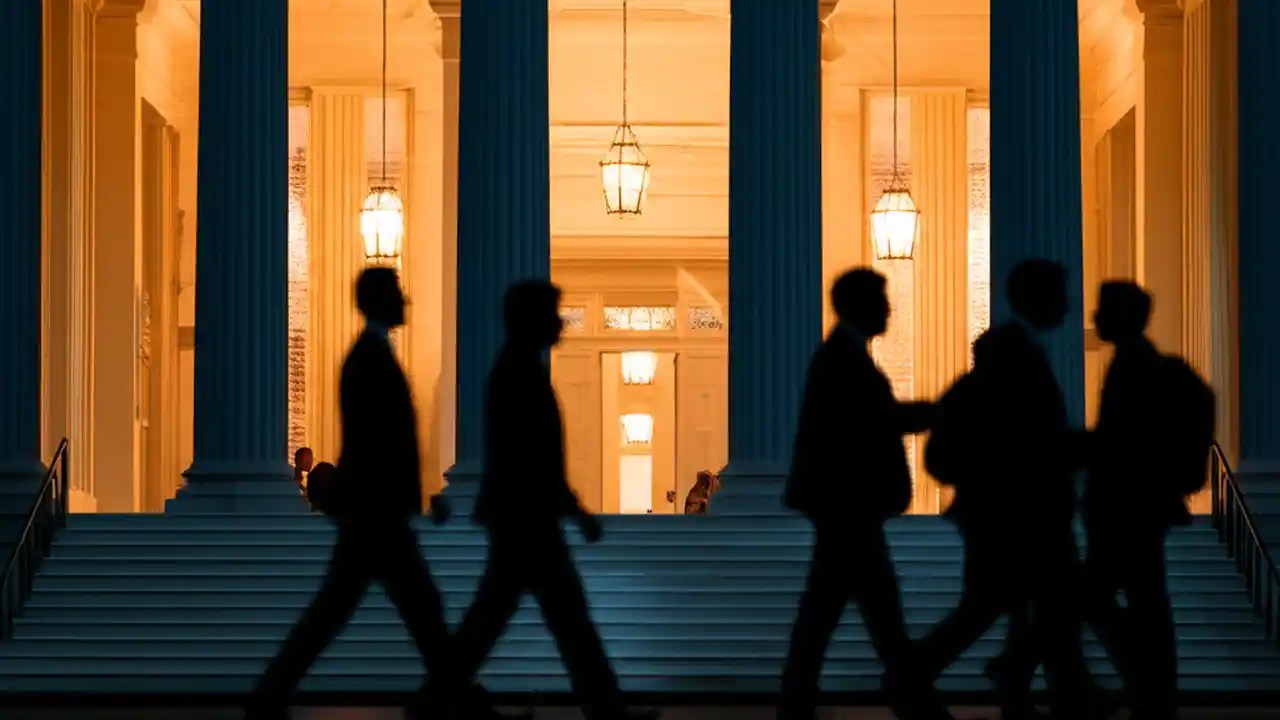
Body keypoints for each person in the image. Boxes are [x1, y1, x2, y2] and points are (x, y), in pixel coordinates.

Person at [435, 280, 656, 720]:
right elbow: (532, 458)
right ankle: (608, 710)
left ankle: (436, 699)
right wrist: (576, 511)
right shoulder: (519, 374)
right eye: (552, 313)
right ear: (532, 319)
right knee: (564, 622)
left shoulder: (517, 369)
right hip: (528, 521)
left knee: (503, 621)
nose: (560, 323)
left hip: (522, 519)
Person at [247, 268, 456, 719]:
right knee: (409, 612)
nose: (407, 300)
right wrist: (403, 502)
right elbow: (375, 443)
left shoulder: (371, 355)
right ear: (380, 301)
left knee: (352, 613)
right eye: (398, 292)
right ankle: (452, 702)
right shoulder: (369, 359)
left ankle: (270, 696)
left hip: (375, 514)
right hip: (377, 515)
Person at [917, 259, 1098, 719]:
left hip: (1014, 514)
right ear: (1037, 299)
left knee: (1026, 608)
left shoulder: (1017, 359)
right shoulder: (1014, 363)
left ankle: (1026, 681)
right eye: (1059, 293)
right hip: (1016, 516)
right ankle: (923, 672)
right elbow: (1032, 443)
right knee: (1011, 606)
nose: (1068, 304)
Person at [779, 268, 950, 720]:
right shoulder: (843, 361)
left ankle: (798, 707)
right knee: (874, 617)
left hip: (845, 511)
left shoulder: (840, 357)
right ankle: (919, 705)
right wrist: (938, 411)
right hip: (849, 509)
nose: (889, 308)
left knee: (840, 616)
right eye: (882, 299)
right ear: (860, 306)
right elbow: (876, 422)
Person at [1082, 280, 1212, 720]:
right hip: (1138, 508)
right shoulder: (1139, 362)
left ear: (1121, 316)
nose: (1093, 317)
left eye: (1101, 309)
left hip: (1127, 509)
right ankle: (1151, 689)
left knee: (1102, 598)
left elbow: (1121, 441)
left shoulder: (1132, 365)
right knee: (1142, 600)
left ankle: (1146, 685)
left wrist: (1073, 449)